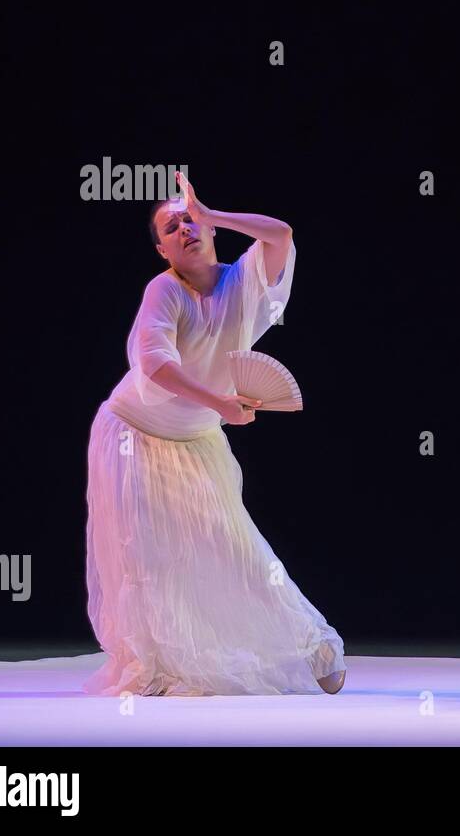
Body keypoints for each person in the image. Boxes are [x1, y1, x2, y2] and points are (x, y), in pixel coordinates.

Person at [83, 172, 346, 696]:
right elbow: (156, 367)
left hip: (197, 439)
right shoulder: (165, 290)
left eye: (189, 220)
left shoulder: (241, 282)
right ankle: (154, 665)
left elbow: (281, 234)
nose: (185, 228)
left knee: (235, 544)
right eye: (172, 226)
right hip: (133, 435)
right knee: (148, 559)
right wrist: (222, 403)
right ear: (163, 249)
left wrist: (214, 212)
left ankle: (311, 643)